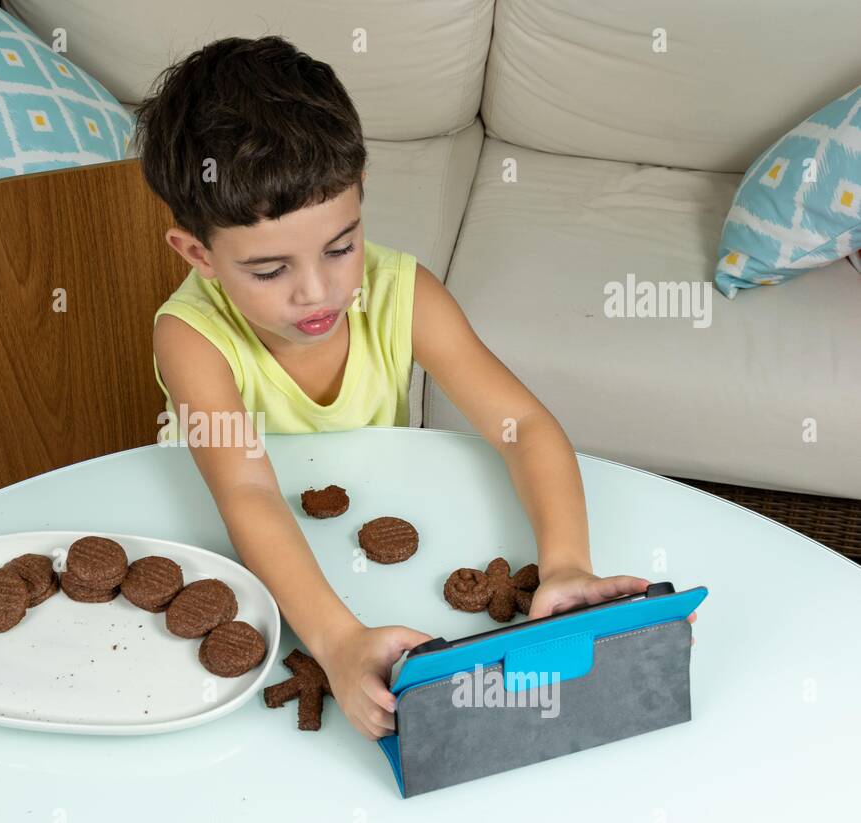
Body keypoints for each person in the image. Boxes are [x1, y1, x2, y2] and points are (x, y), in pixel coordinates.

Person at [132, 36, 695, 741]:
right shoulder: (190, 337)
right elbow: (248, 491)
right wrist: (337, 642)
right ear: (198, 254)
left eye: (341, 246)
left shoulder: (401, 292)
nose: (319, 291)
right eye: (270, 270)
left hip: (385, 546)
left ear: (361, 190)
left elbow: (521, 422)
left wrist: (567, 562)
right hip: (268, 560)